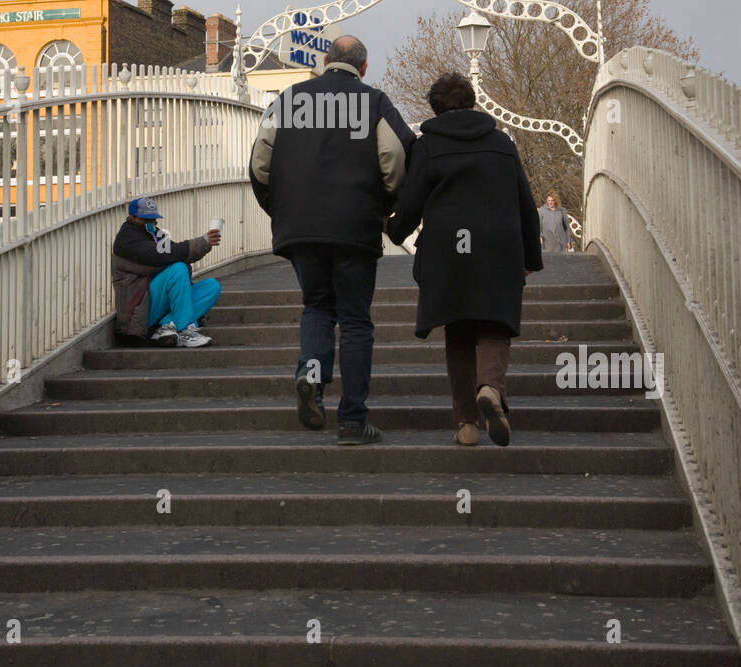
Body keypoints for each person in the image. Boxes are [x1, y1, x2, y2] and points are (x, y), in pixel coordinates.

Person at [249, 35, 415, 444]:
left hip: (300, 228)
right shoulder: (373, 101)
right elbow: (395, 159)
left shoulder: (288, 100)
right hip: (354, 227)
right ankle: (353, 420)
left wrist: (281, 209)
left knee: (317, 306)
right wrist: (386, 204)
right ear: (362, 67)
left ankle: (311, 376)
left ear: (326, 61)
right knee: (356, 321)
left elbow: (259, 163)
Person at [387, 72, 542, 447]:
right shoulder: (502, 143)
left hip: (448, 249)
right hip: (497, 246)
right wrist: (529, 257)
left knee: (458, 333)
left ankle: (467, 425)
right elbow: (525, 203)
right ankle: (489, 387)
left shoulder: (427, 147)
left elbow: (411, 203)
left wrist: (394, 229)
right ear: (472, 101)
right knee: (495, 323)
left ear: (436, 109)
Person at [111, 197, 221, 348]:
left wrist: (204, 243)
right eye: (145, 220)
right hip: (139, 313)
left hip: (157, 304)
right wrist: (202, 241)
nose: (150, 224)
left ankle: (167, 325)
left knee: (211, 286)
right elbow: (164, 255)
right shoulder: (126, 241)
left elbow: (175, 252)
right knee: (177, 268)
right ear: (132, 217)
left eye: (153, 220)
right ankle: (184, 329)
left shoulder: (153, 233)